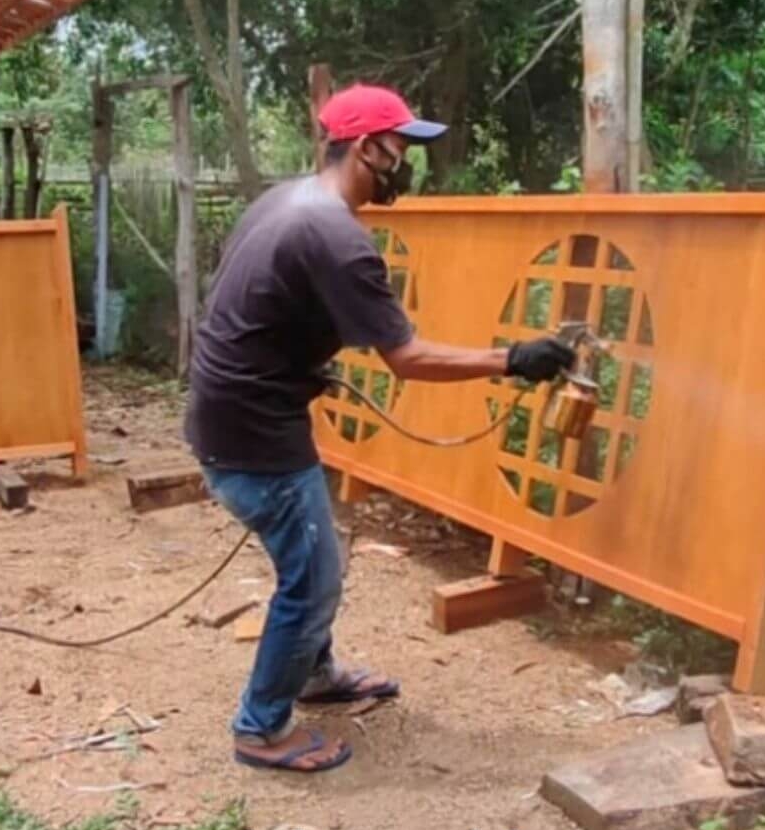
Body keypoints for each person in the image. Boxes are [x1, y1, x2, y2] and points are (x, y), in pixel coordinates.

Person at [183, 84, 575, 773]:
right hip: (252, 435)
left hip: (233, 412)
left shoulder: (288, 200)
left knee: (314, 554)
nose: (409, 164)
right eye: (403, 149)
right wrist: (514, 359)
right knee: (312, 578)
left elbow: (254, 305)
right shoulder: (336, 235)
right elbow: (410, 359)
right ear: (368, 148)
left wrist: (299, 360)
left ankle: (313, 671)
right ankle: (259, 727)